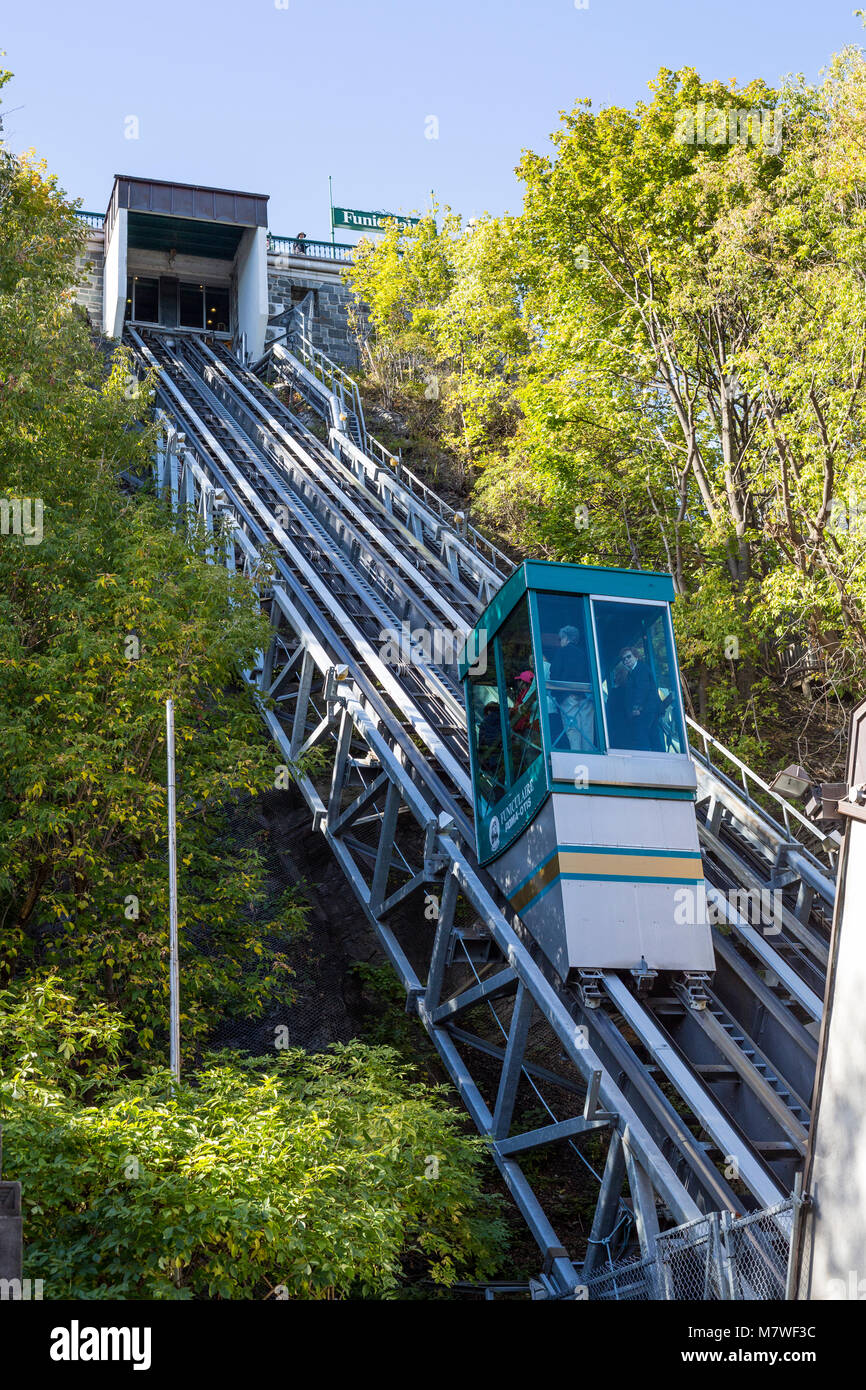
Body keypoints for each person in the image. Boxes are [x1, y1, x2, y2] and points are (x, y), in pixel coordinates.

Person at [549, 626, 594, 751]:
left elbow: (554, 673)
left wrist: (555, 693)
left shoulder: (561, 652)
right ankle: (589, 758)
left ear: (566, 638)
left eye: (560, 639)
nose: (560, 641)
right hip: (586, 697)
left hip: (568, 696)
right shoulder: (584, 653)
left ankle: (577, 758)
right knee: (587, 730)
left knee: (572, 730)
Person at [619, 644, 663, 750]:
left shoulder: (641, 669)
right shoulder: (634, 672)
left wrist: (636, 707)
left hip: (646, 710)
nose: (626, 660)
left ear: (636, 656)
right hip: (647, 709)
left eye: (629, 656)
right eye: (624, 659)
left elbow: (642, 689)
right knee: (652, 736)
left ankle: (649, 760)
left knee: (643, 737)